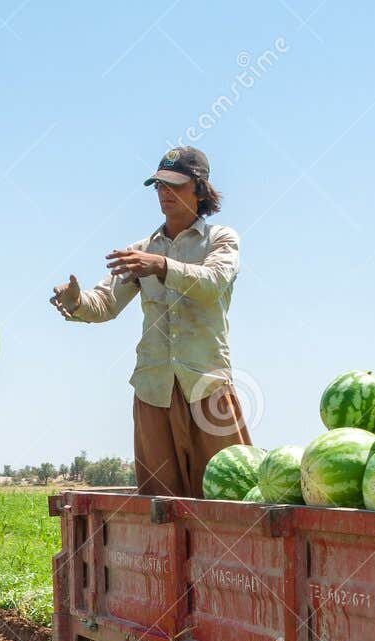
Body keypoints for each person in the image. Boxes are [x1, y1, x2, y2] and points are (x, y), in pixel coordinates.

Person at [50, 146, 250, 498]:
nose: (164, 194)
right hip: (153, 390)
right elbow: (106, 303)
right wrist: (77, 301)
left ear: (199, 188)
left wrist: (161, 267)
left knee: (229, 500)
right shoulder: (141, 248)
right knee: (161, 505)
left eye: (174, 186)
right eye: (158, 186)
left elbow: (213, 284)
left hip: (207, 387)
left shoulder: (221, 239)